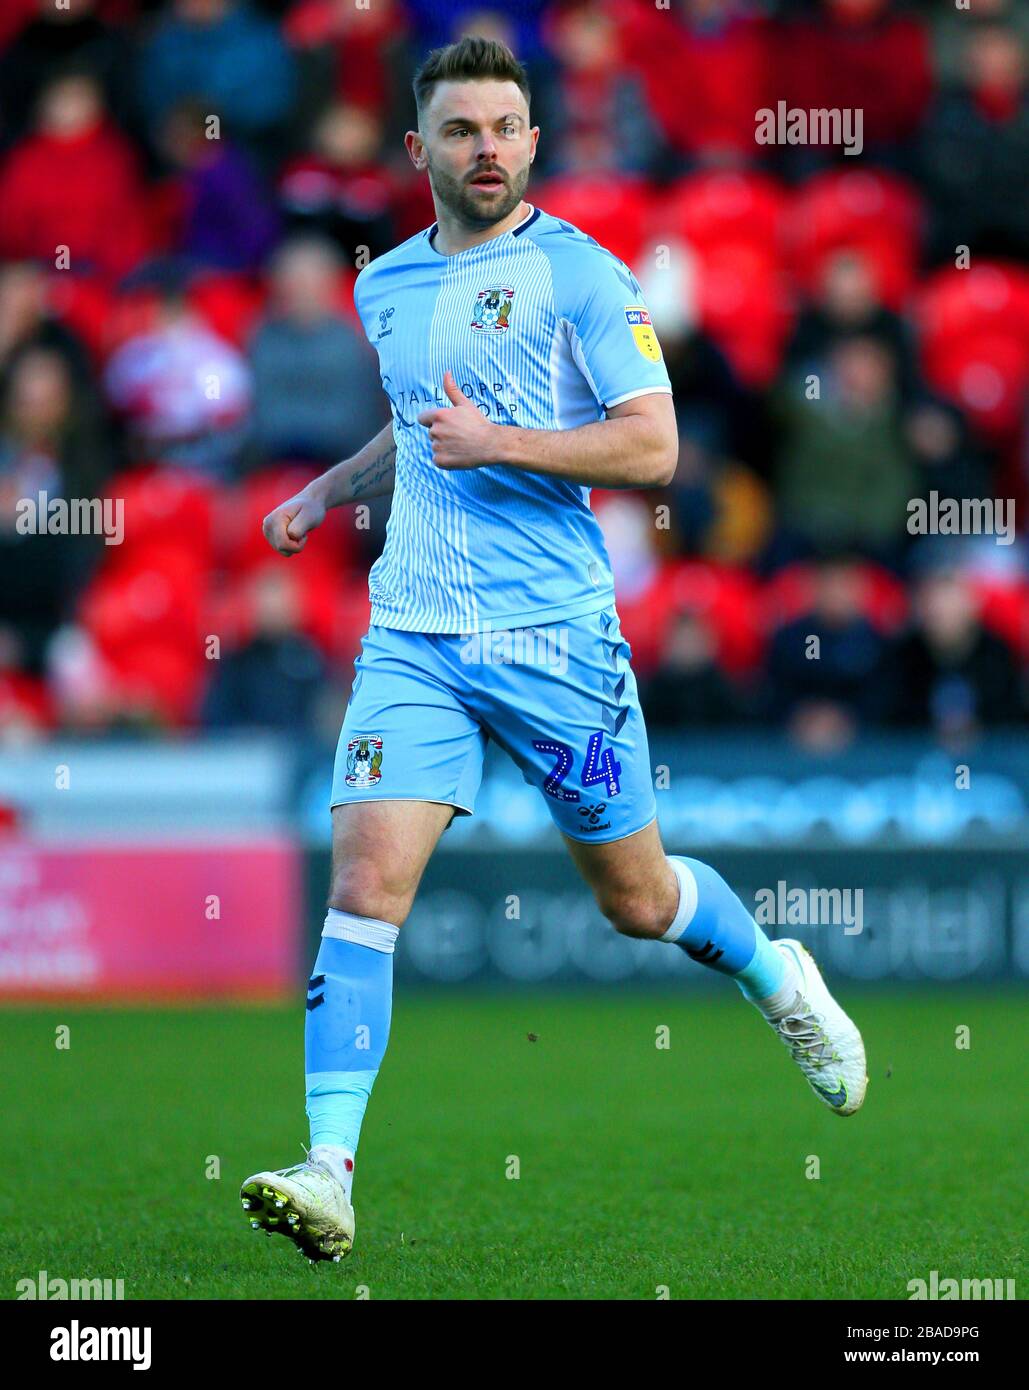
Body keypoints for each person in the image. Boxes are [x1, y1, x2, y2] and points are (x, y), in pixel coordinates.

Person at [241, 36, 867, 1264]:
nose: (485, 149)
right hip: (413, 636)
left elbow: (653, 451)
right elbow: (422, 416)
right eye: (461, 129)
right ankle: (330, 1168)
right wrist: (334, 485)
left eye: (505, 128)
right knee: (364, 889)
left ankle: (775, 973)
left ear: (534, 141)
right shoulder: (385, 285)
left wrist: (506, 446)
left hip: (555, 641)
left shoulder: (584, 276)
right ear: (417, 148)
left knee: (637, 901)